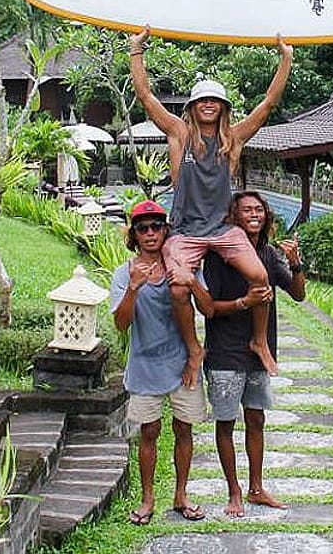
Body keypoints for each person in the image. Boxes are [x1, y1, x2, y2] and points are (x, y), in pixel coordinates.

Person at [129, 25, 293, 376]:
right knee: (177, 288)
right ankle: (194, 349)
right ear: (192, 107)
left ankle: (259, 341)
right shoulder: (179, 133)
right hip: (185, 232)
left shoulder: (232, 140)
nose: (208, 104)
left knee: (261, 278)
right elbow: (145, 97)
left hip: (222, 229)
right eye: (202, 100)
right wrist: (136, 51)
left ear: (223, 108)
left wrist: (286, 59)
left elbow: (267, 106)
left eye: (214, 101)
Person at [202, 191, 306, 517]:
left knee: (256, 419)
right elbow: (208, 308)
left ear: (267, 216)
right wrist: (243, 303)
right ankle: (234, 492)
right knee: (225, 423)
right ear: (234, 216)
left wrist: (296, 262)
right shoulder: (219, 256)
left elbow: (299, 294)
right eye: (246, 209)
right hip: (225, 351)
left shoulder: (270, 254)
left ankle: (256, 488)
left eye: (259, 210)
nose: (254, 214)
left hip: (259, 355)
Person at [110, 199, 214, 525]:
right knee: (149, 432)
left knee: (184, 429)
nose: (151, 233)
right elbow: (121, 324)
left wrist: (190, 278)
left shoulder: (183, 263)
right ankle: (147, 498)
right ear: (134, 235)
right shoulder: (123, 273)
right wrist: (134, 288)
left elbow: (208, 308)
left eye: (157, 226)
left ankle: (181, 494)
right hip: (144, 365)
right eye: (143, 228)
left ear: (166, 230)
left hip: (183, 362)